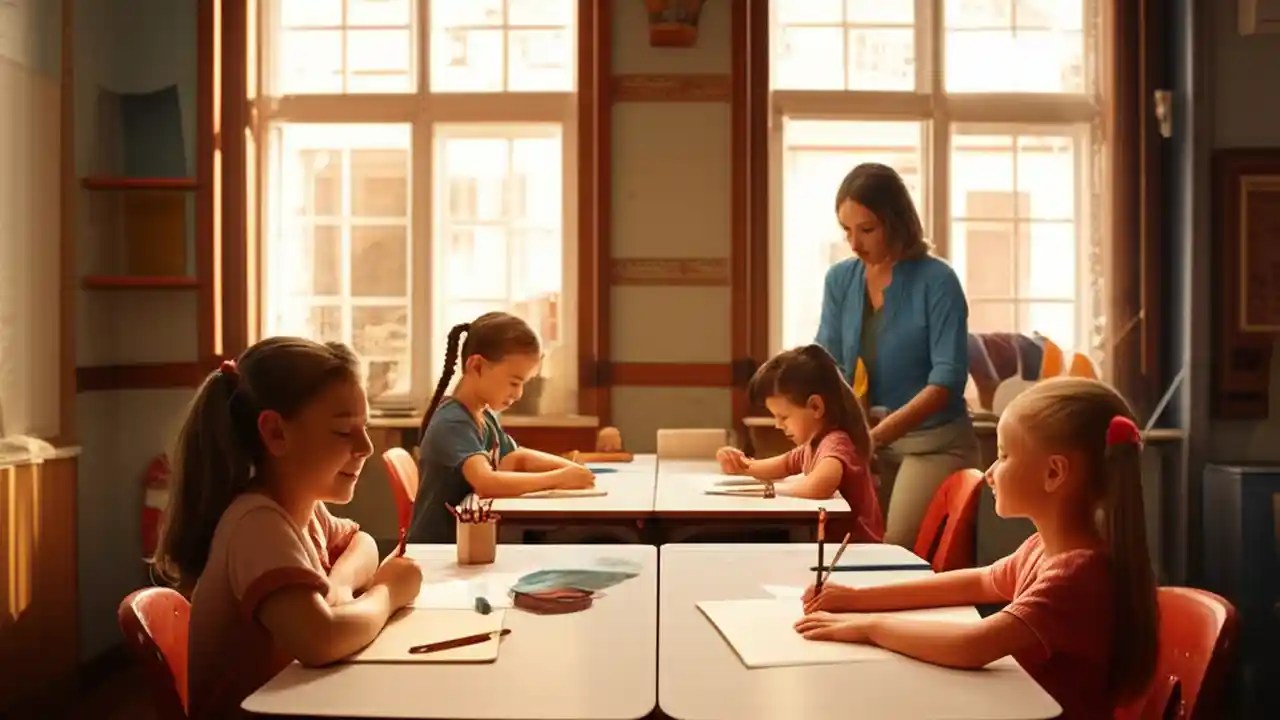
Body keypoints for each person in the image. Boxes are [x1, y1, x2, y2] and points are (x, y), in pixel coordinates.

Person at [795, 378, 1158, 719]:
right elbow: (980, 581)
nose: (990, 472)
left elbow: (974, 643)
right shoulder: (1043, 550)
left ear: (1054, 474)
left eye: (1003, 455)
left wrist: (867, 628)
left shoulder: (1075, 576)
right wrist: (857, 598)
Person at [154, 338, 423, 719]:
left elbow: (360, 542)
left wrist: (340, 584)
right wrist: (387, 592)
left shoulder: (303, 509)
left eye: (365, 428)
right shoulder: (256, 523)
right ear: (276, 433)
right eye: (345, 431)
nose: (365, 447)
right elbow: (321, 639)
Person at [815, 162, 979, 547]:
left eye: (867, 229)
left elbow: (947, 382)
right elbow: (827, 364)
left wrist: (871, 438)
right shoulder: (839, 280)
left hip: (934, 444)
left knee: (894, 548)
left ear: (897, 222)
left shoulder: (938, 281)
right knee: (845, 543)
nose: (854, 244)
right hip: (869, 442)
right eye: (846, 230)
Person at [408, 312, 594, 543]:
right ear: (477, 366)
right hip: (439, 552)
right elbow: (486, 483)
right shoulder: (453, 423)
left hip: (469, 545)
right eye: (514, 382)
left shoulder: (485, 415)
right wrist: (558, 479)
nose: (518, 394)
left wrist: (572, 471)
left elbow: (517, 457)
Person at [715, 345, 883, 542]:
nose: (778, 425)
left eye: (784, 417)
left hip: (856, 554)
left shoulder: (836, 443)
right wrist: (741, 464)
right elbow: (782, 465)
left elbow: (818, 486)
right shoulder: (813, 445)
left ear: (815, 406)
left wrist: (768, 490)